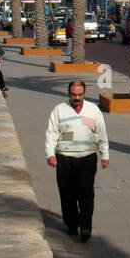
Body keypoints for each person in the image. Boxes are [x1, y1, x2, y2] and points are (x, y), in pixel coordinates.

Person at [45, 80, 109, 241]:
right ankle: (72, 225)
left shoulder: (93, 110)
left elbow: (101, 134)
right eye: (73, 94)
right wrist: (50, 154)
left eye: (80, 95)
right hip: (64, 158)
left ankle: (86, 227)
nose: (76, 98)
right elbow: (51, 134)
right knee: (67, 194)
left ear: (84, 94)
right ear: (69, 94)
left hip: (86, 159)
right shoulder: (59, 110)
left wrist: (104, 154)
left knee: (86, 194)